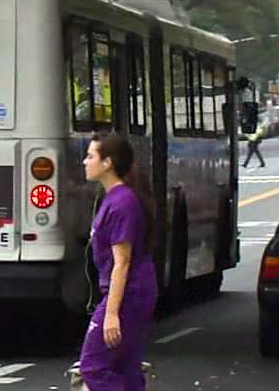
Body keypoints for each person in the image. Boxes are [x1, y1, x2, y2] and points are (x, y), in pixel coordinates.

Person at [79, 133, 158, 391]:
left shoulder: (122, 203)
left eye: (91, 156)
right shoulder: (113, 199)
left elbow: (121, 262)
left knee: (94, 367)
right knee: (126, 368)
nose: (84, 161)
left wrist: (111, 314)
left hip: (128, 296)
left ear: (107, 163)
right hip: (132, 293)